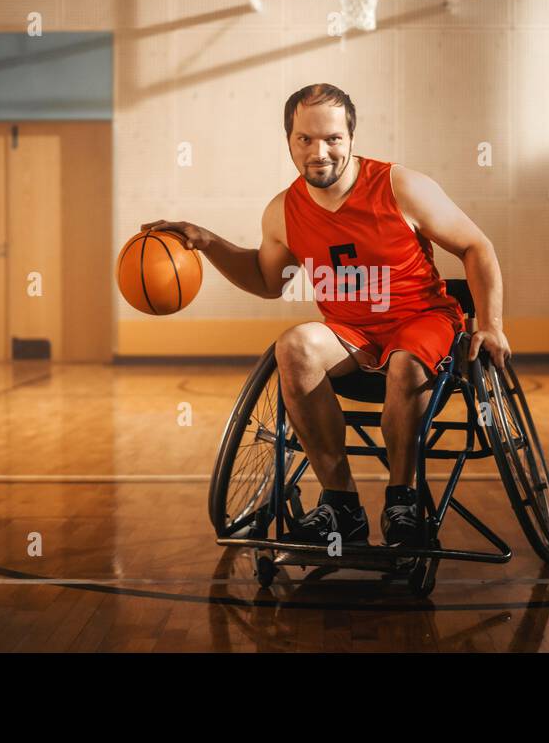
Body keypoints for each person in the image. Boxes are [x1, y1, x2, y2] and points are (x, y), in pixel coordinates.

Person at [142, 83, 509, 548]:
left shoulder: (401, 186)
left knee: (405, 358)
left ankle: (403, 499)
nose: (320, 152)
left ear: (351, 138)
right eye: (306, 139)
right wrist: (207, 240)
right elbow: (266, 280)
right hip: (351, 333)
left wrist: (492, 325)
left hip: (420, 320)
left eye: (332, 138)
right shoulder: (283, 211)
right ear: (289, 141)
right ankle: (341, 505)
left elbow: (477, 247)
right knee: (293, 345)